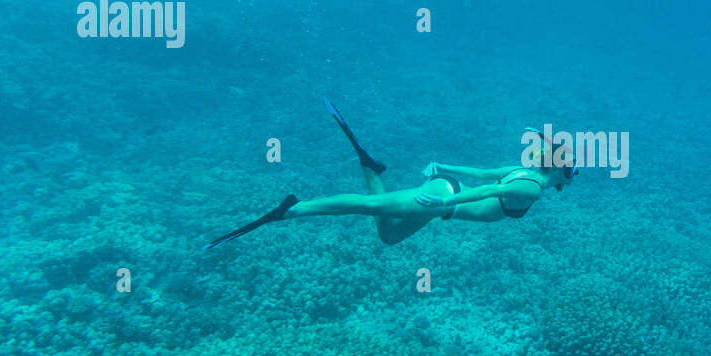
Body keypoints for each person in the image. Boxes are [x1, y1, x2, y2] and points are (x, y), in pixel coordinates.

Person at [202, 97, 576, 250]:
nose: (568, 175)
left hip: (445, 201)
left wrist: (445, 179)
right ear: (559, 170)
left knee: (388, 234)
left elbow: (481, 175)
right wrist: (446, 193)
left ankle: (370, 165)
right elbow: (483, 189)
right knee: (372, 205)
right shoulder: (532, 188)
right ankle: (293, 208)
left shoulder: (524, 173)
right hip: (444, 200)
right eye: (570, 168)